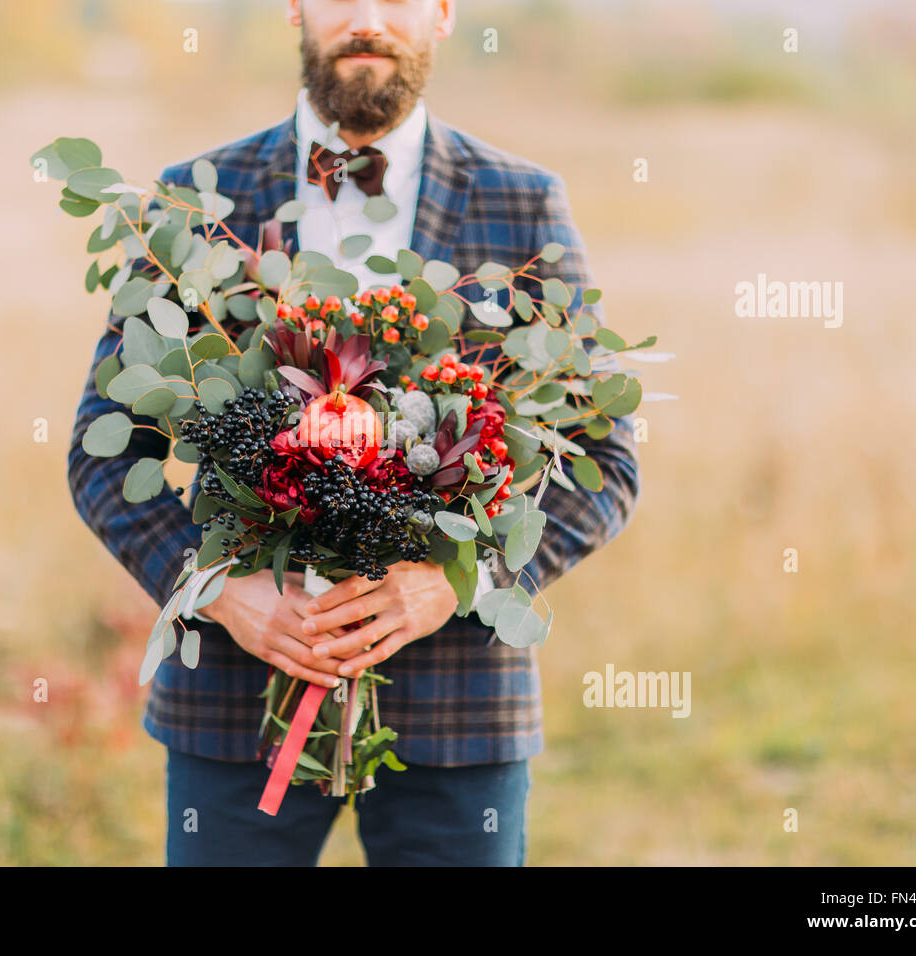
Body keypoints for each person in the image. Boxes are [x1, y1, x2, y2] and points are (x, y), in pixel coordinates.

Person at [67, 0, 640, 866]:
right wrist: (220, 594)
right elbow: (101, 454)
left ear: (445, 12)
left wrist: (455, 581)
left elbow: (605, 456)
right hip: (234, 703)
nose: (368, 17)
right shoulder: (189, 208)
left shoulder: (524, 203)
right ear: (295, 6)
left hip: (459, 707)